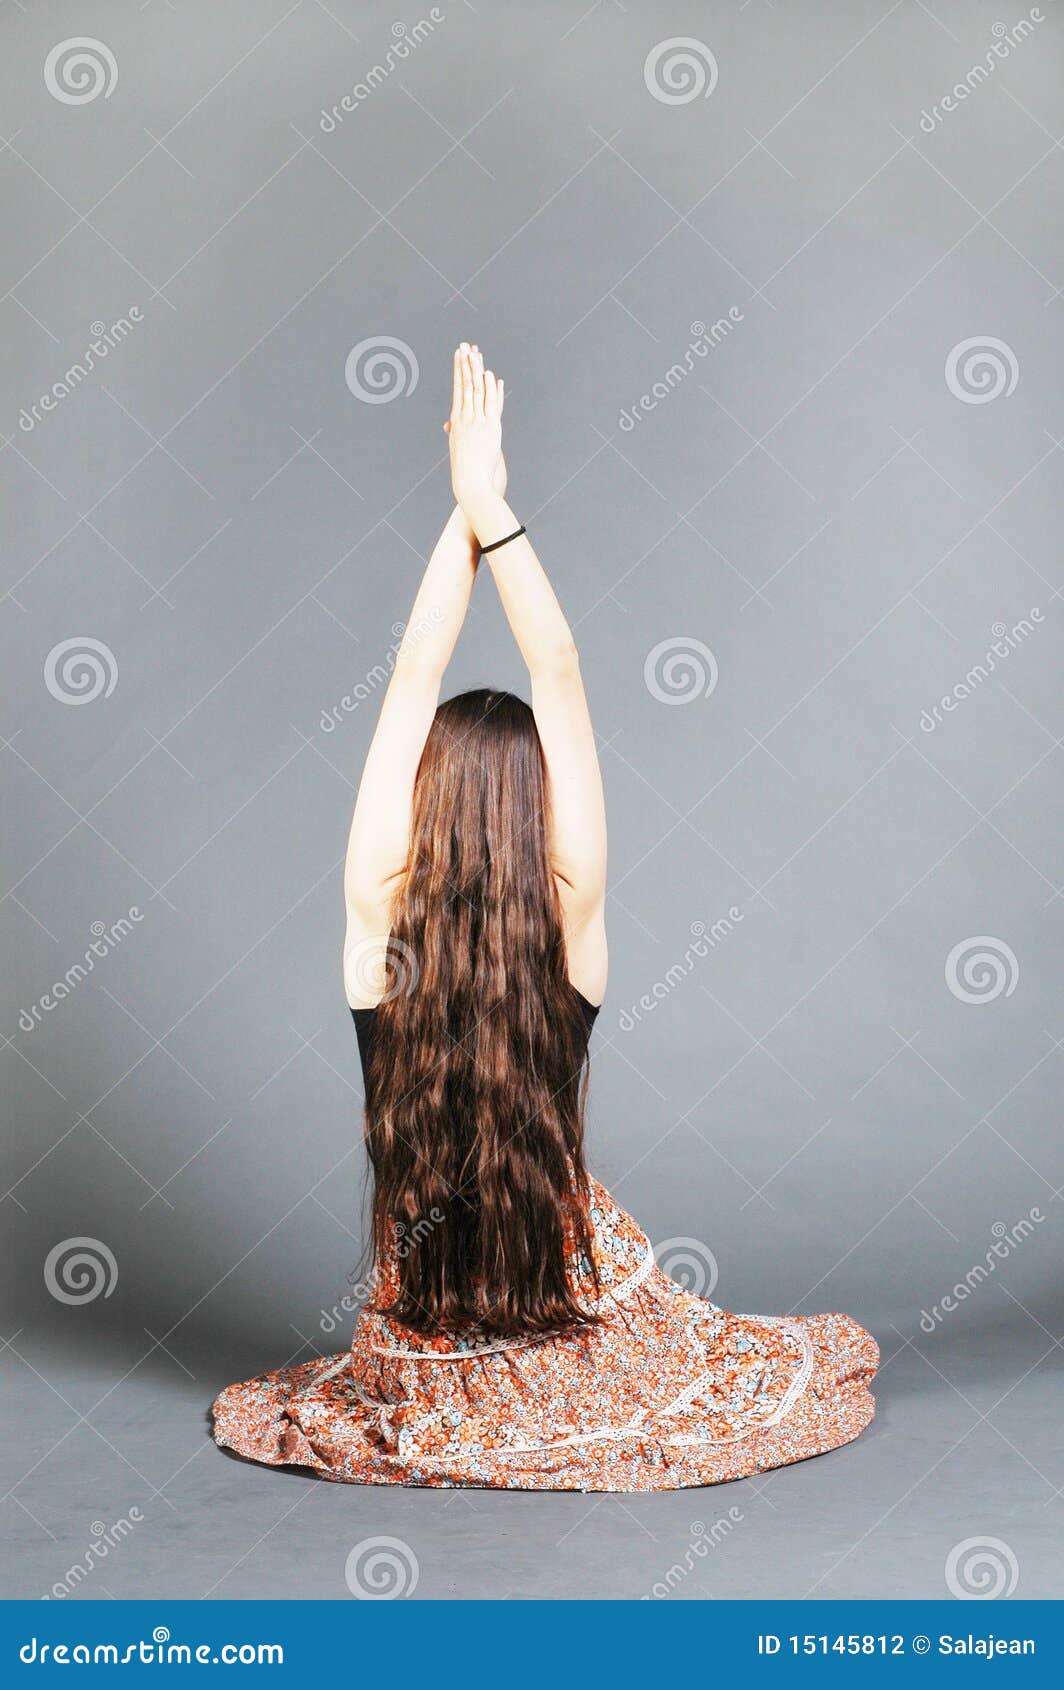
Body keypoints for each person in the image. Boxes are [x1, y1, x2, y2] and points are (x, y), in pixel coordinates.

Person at [211, 346, 878, 1489]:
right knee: (734, 1359)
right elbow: (556, 668)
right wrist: (491, 503)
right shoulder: (573, 915)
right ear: (538, 812)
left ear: (425, 802)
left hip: (417, 1345)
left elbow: (411, 674)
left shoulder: (377, 922)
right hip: (567, 1308)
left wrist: (459, 503)